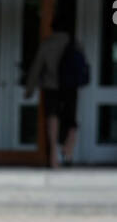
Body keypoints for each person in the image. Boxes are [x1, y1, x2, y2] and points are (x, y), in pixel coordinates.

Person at [24, 11, 87, 168]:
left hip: (51, 86)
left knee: (52, 116)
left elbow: (37, 67)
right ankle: (68, 151)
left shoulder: (48, 43)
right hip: (70, 87)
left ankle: (53, 155)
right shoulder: (75, 43)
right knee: (71, 120)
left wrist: (29, 88)